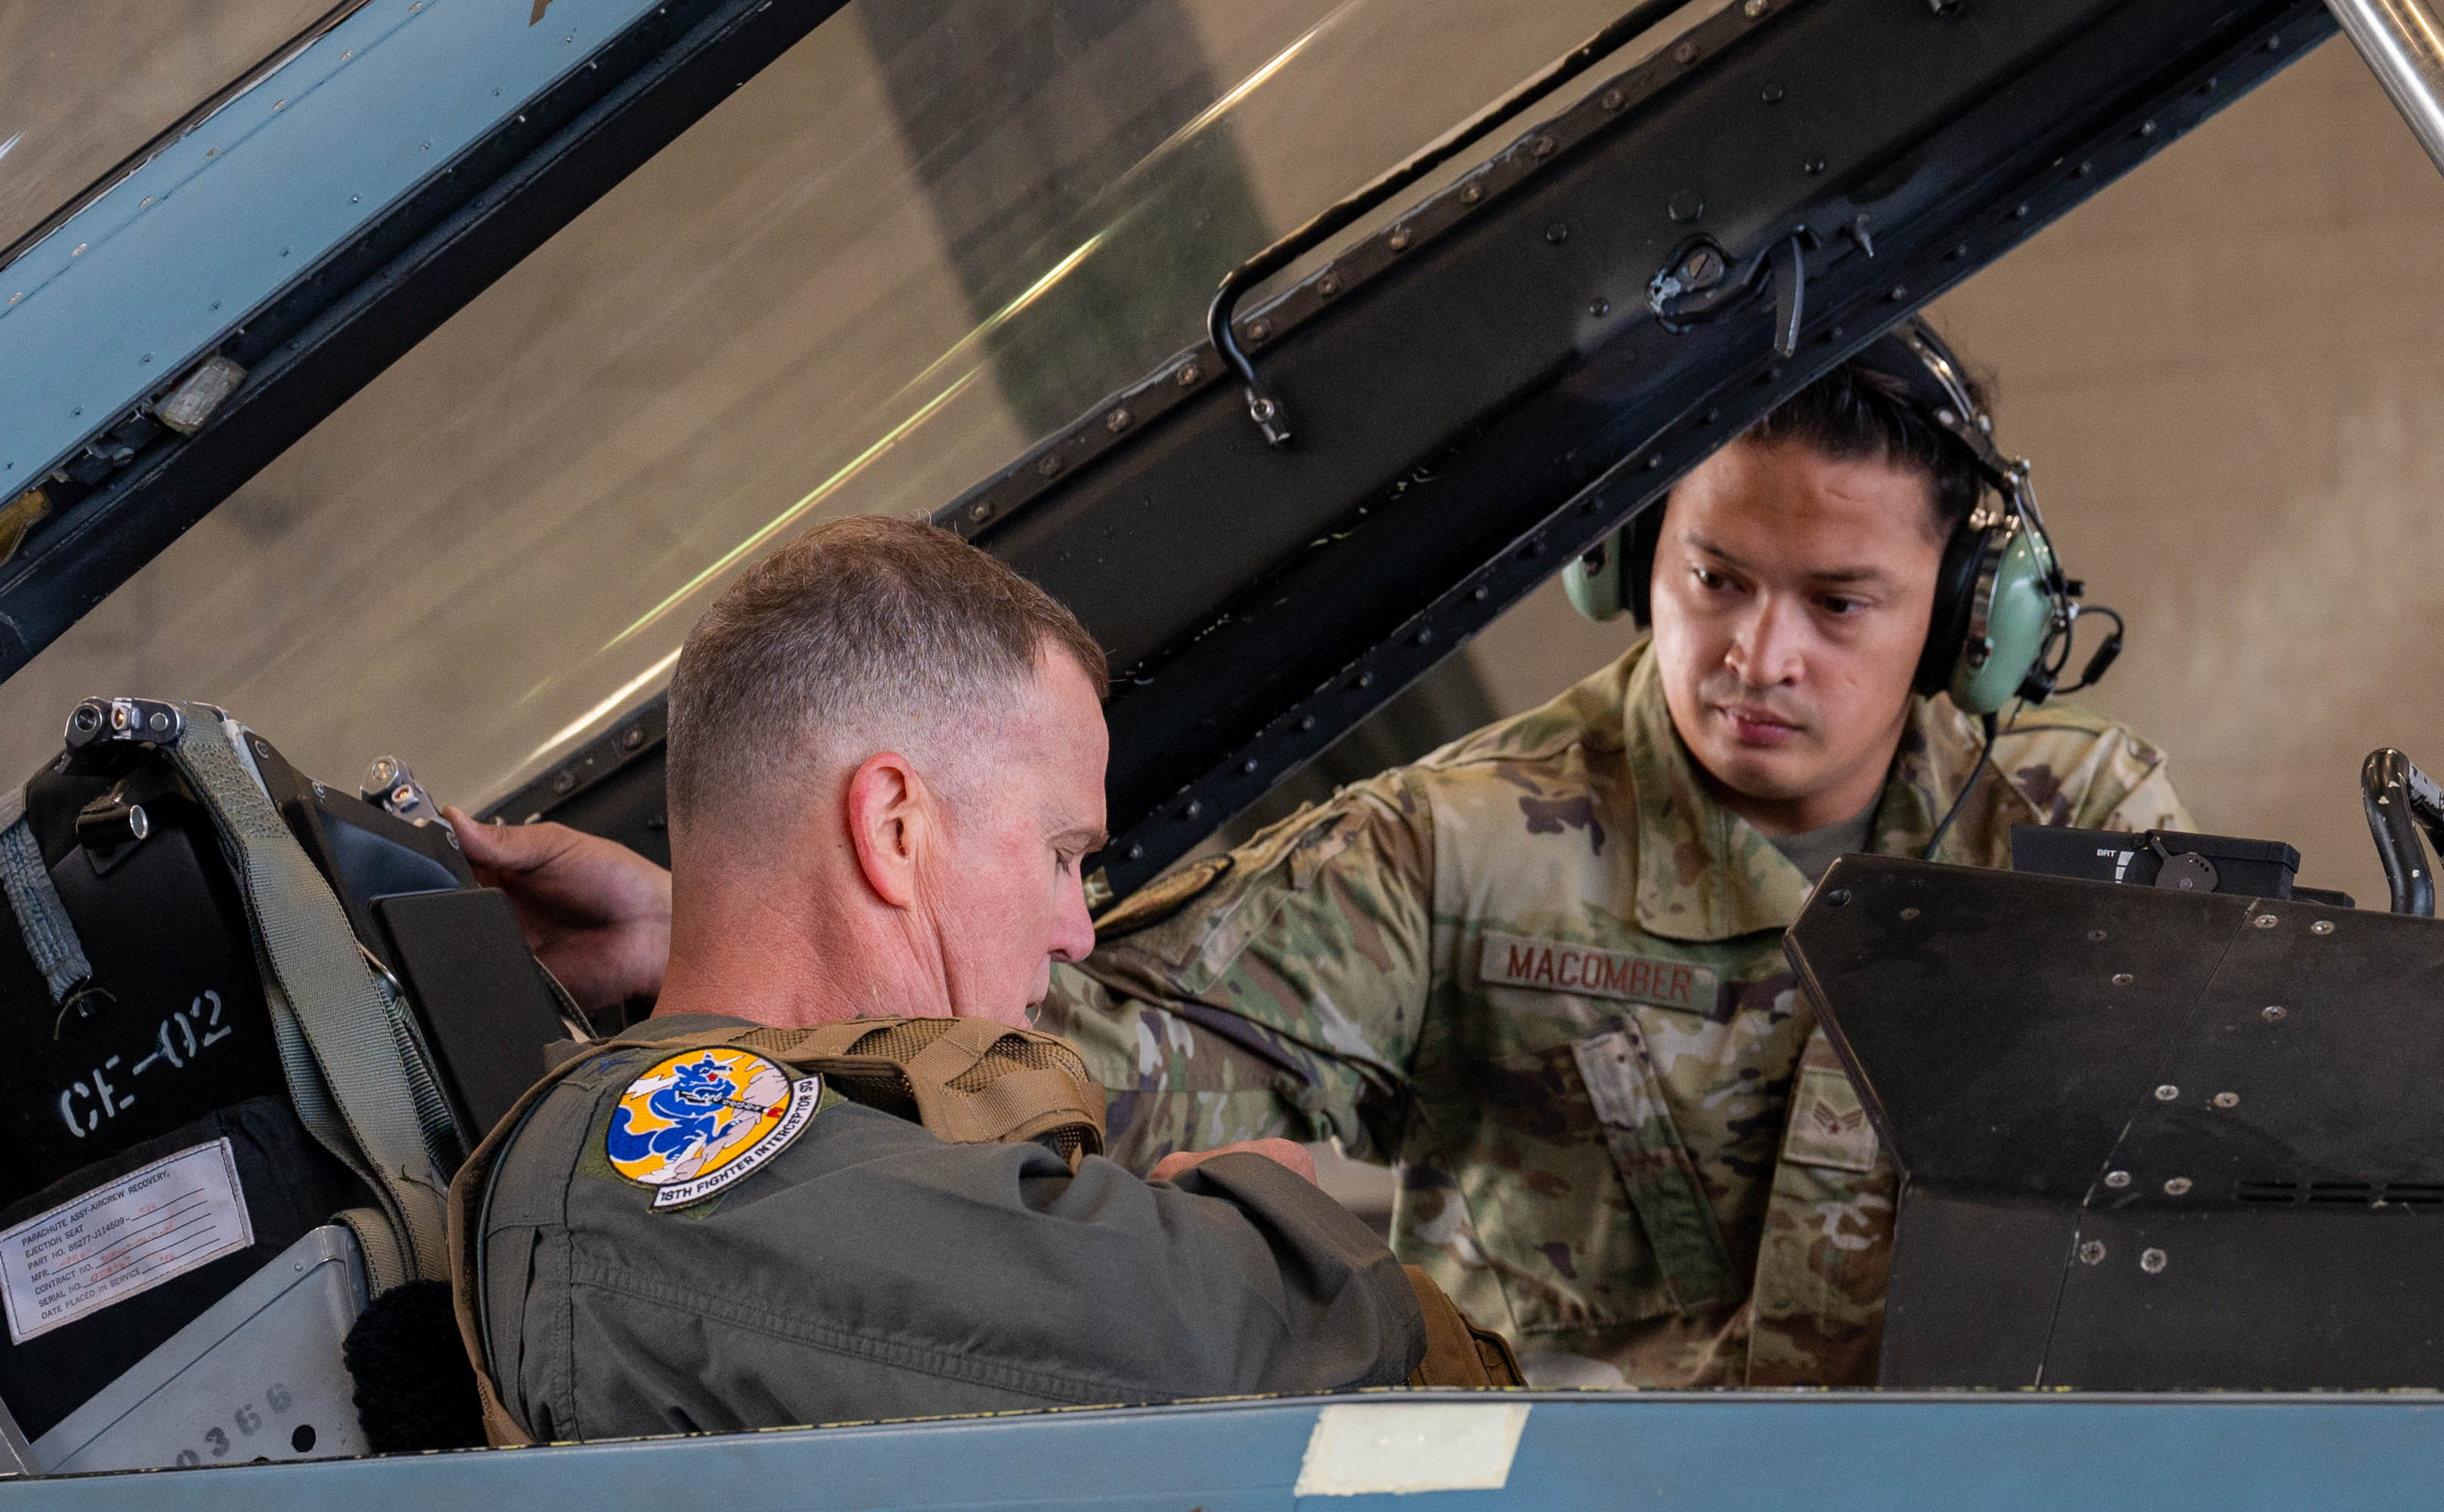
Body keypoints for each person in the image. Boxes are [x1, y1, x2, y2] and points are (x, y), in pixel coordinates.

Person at [457, 326, 2188, 1396]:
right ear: (1631, 556)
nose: (1760, 651)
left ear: (1971, 614)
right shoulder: (1467, 841)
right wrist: (737, 925)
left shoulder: (2077, 831)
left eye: (1839, 604)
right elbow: (1072, 1034)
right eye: (1715, 576)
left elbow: (2220, 1190)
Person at [450, 516, 1458, 1446]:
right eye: (1061, 854)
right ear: (895, 828)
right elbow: (1209, 1348)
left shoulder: (798, 1140)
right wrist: (1276, 1221)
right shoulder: (655, 1165)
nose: (1076, 930)